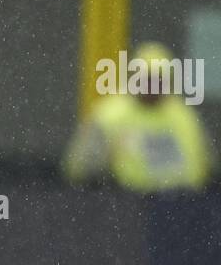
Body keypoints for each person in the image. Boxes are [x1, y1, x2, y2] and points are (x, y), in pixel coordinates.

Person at [63, 41, 212, 193]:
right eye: (147, 79)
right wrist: (106, 164)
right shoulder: (109, 115)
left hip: (181, 205)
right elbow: (80, 169)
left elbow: (203, 167)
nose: (153, 86)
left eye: (159, 80)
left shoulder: (185, 118)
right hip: (123, 204)